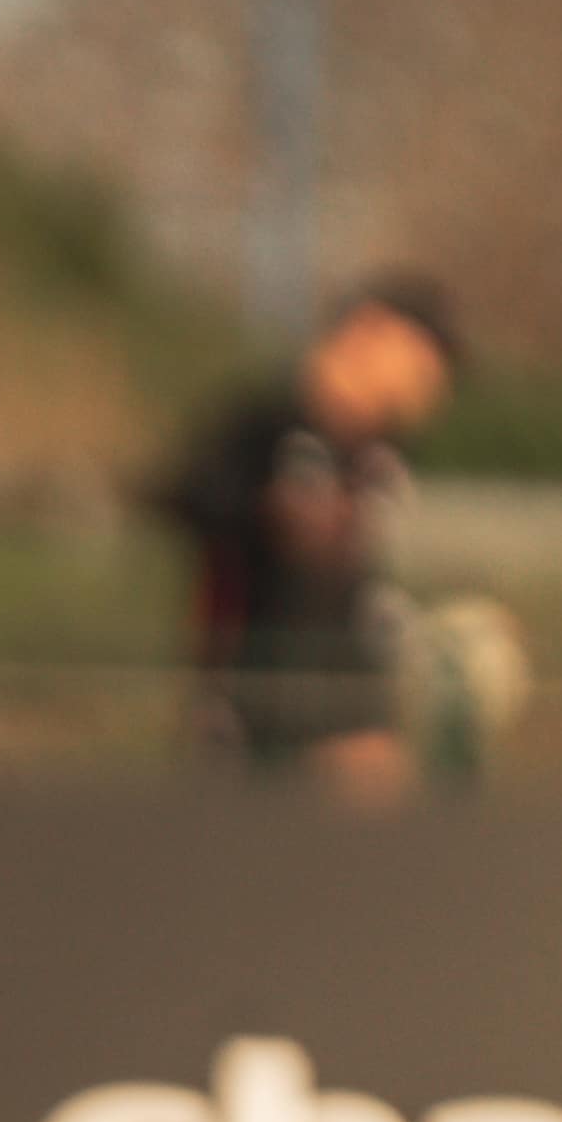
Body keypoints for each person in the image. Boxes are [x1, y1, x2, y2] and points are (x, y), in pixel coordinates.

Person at [158, 272, 457, 802]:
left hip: (356, 727)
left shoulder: (381, 455)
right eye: (423, 358)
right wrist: (271, 511)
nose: (432, 383)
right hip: (262, 715)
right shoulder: (265, 426)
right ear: (371, 333)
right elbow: (188, 499)